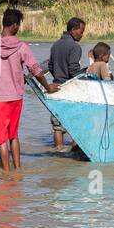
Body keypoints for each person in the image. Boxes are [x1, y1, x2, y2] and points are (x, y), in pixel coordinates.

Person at [0, 8, 57, 172]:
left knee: (1, 139)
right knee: (13, 135)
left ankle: (6, 173)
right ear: (14, 25)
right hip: (16, 96)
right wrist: (47, 87)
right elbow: (36, 70)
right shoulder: (22, 46)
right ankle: (18, 169)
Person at [44, 17, 86, 152]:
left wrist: (58, 75)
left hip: (56, 87)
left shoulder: (55, 45)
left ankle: (58, 150)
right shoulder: (75, 47)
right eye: (81, 31)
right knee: (77, 123)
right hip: (69, 89)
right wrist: (84, 77)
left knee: (57, 126)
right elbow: (73, 69)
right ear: (73, 30)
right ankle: (75, 151)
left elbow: (50, 65)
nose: (82, 34)